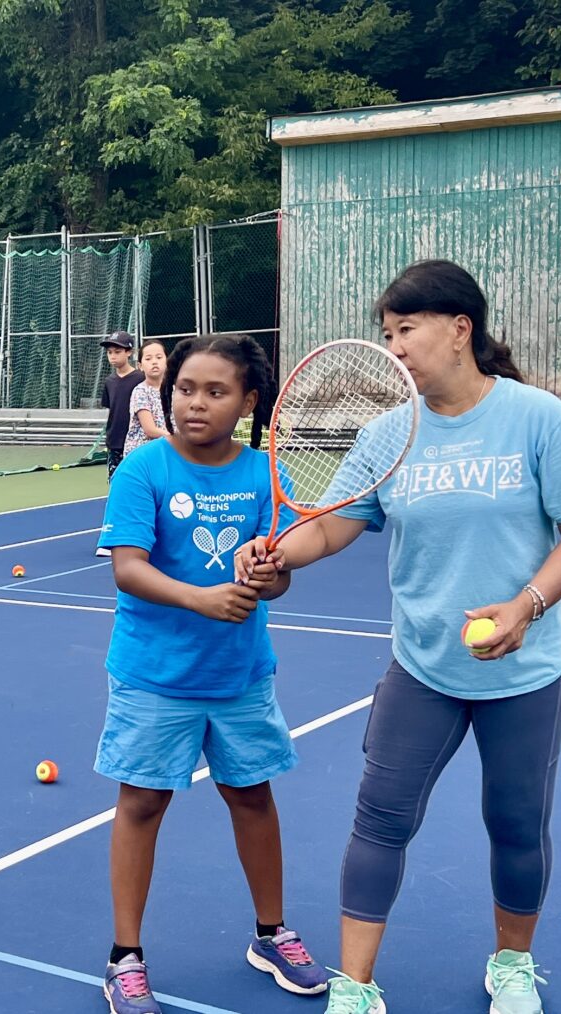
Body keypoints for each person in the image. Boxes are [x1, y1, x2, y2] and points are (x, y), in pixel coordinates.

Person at [234, 260, 561, 1014]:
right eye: (387, 335)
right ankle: (356, 987)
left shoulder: (536, 418)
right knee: (380, 819)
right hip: (423, 668)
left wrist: (526, 604)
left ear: (460, 328)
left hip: (526, 670)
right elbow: (335, 525)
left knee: (514, 822)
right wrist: (278, 557)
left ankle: (511, 965)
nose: (395, 347)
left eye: (406, 330)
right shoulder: (386, 434)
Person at [95, 333, 328, 1014]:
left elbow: (276, 581)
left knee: (252, 797)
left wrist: (266, 573)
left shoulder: (264, 475)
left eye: (215, 391)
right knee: (142, 804)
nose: (195, 403)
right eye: (186, 390)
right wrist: (201, 598)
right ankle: (125, 957)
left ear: (248, 401)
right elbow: (128, 567)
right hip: (152, 677)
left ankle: (271, 933)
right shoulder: (144, 471)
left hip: (239, 677)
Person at [96, 331, 145, 558]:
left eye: (117, 352)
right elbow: (111, 411)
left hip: (137, 442)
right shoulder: (109, 382)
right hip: (115, 442)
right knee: (117, 489)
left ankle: (141, 535)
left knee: (141, 490)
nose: (113, 356)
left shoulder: (140, 379)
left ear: (129, 352)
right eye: (109, 353)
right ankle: (112, 539)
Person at [123, 340, 168, 457]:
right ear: (140, 366)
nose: (154, 362)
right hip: (142, 455)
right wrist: (177, 438)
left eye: (159, 357)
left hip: (167, 450)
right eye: (148, 359)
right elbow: (150, 430)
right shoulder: (140, 391)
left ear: (167, 361)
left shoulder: (175, 390)